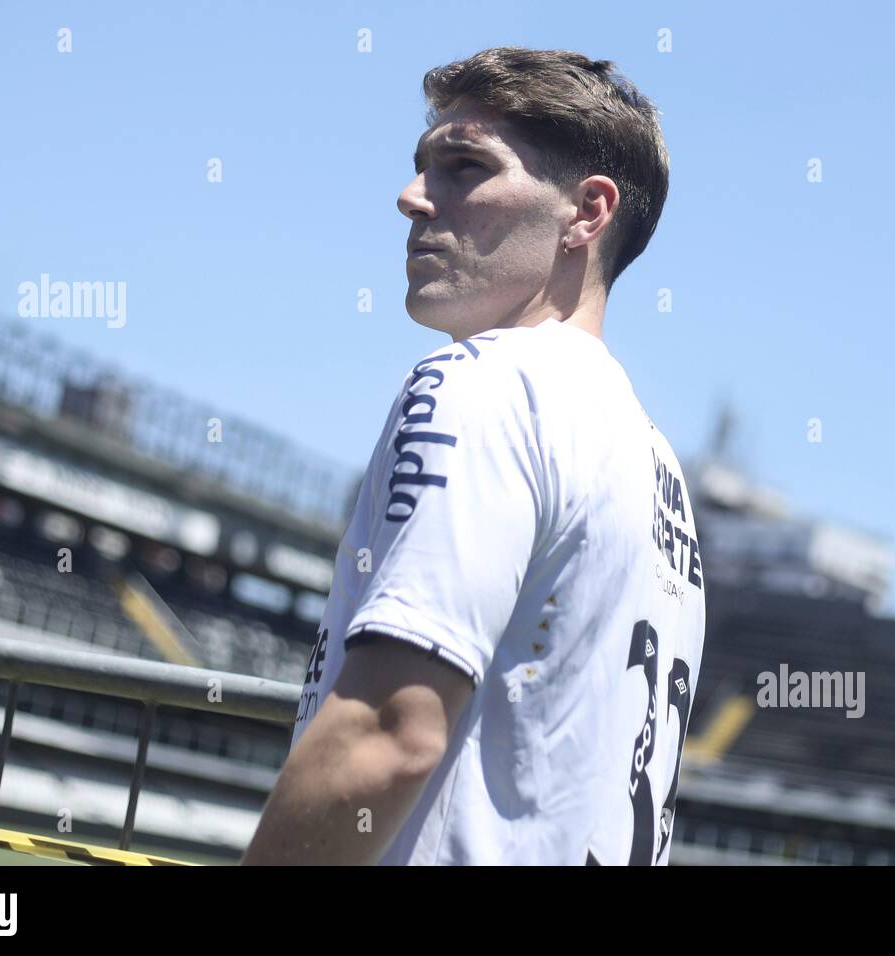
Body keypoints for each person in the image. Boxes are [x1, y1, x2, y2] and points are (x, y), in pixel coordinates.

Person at [242, 45, 705, 865]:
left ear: (586, 212)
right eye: (423, 165)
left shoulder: (482, 384)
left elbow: (391, 732)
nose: (412, 196)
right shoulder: (654, 461)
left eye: (464, 167)